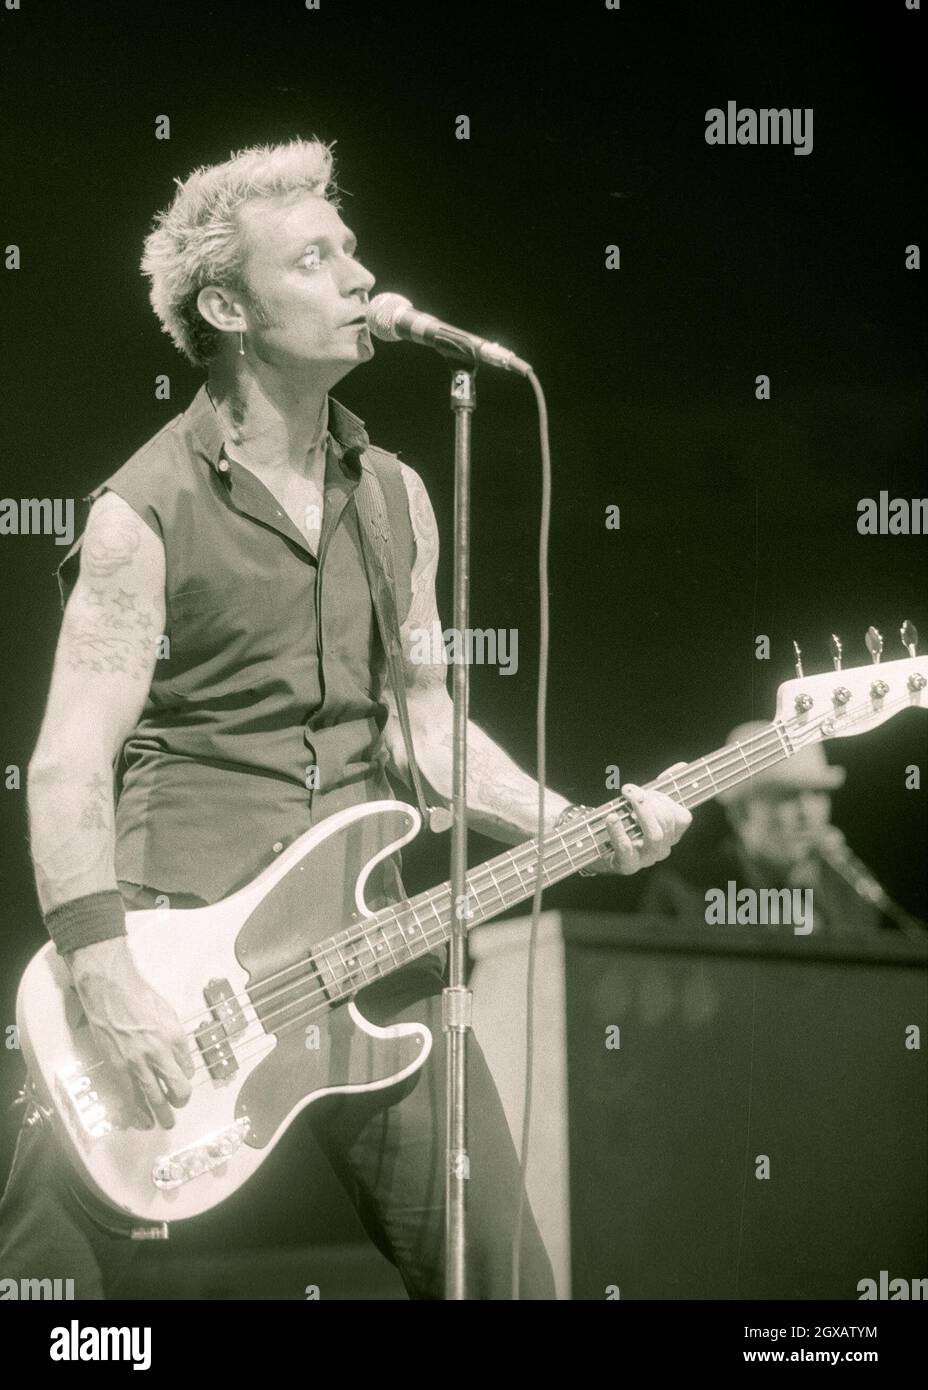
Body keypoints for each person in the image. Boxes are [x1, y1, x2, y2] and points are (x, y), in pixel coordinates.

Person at [0, 139, 692, 1300]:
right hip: (177, 958)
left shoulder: (396, 496)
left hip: (365, 942)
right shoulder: (141, 514)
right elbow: (67, 768)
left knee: (505, 1281)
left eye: (350, 248)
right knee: (53, 1290)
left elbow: (426, 729)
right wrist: (106, 980)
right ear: (227, 306)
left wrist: (584, 820)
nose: (358, 275)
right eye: (314, 258)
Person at [639, 720, 900, 936]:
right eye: (787, 795)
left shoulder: (849, 889)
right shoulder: (680, 890)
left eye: (818, 793)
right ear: (740, 811)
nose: (807, 813)